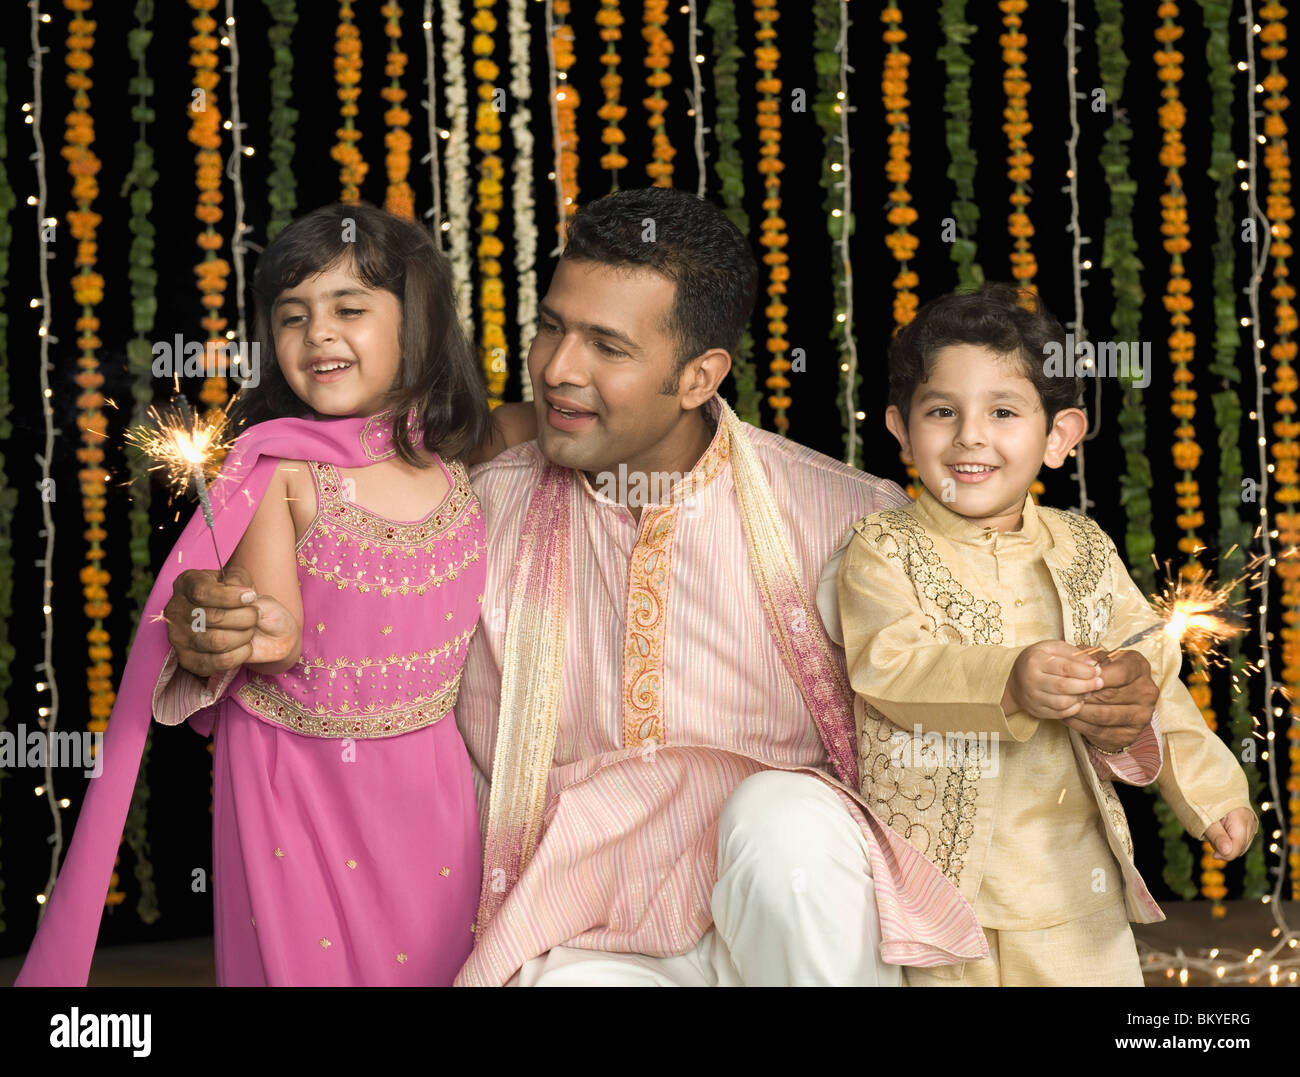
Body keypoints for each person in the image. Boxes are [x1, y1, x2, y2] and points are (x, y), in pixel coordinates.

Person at [157, 188, 1161, 987]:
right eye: (552, 328)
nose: (554, 367)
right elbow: (331, 640)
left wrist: (1107, 710)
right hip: (588, 922)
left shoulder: (848, 519)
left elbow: (982, 667)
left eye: (607, 346)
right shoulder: (467, 510)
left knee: (782, 824)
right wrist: (210, 626)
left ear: (697, 376)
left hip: (794, 921)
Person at [16, 201, 534, 986]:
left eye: (348, 308)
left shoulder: (458, 453)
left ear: (419, 321)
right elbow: (281, 630)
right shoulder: (279, 468)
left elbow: (566, 426)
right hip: (299, 779)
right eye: (292, 316)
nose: (317, 333)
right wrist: (241, 627)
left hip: (429, 778)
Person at [823, 283, 1257, 986]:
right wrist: (1010, 677)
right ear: (900, 429)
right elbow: (888, 666)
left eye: (1002, 411)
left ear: (1057, 437)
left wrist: (1211, 795)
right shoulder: (883, 548)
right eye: (942, 411)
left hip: (1069, 881)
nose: (969, 434)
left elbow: (1147, 676)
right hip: (941, 882)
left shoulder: (1083, 547)